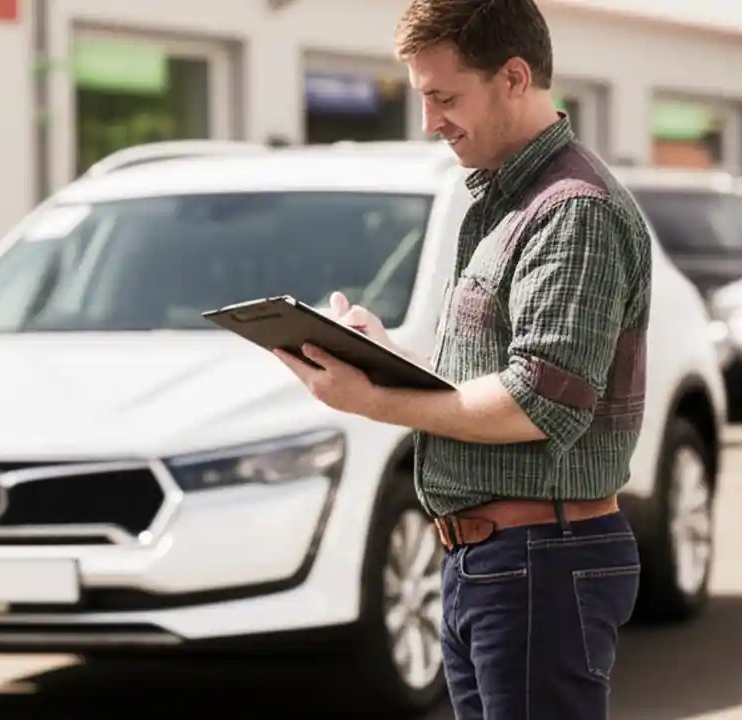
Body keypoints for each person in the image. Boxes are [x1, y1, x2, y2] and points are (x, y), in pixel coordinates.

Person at [273, 1, 653, 718]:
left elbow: (535, 404)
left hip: (539, 558)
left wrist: (373, 400)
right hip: (496, 561)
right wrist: (388, 358)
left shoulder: (571, 211)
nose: (430, 121)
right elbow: (502, 378)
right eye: (423, 98)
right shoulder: (505, 203)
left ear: (514, 76)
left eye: (445, 97)